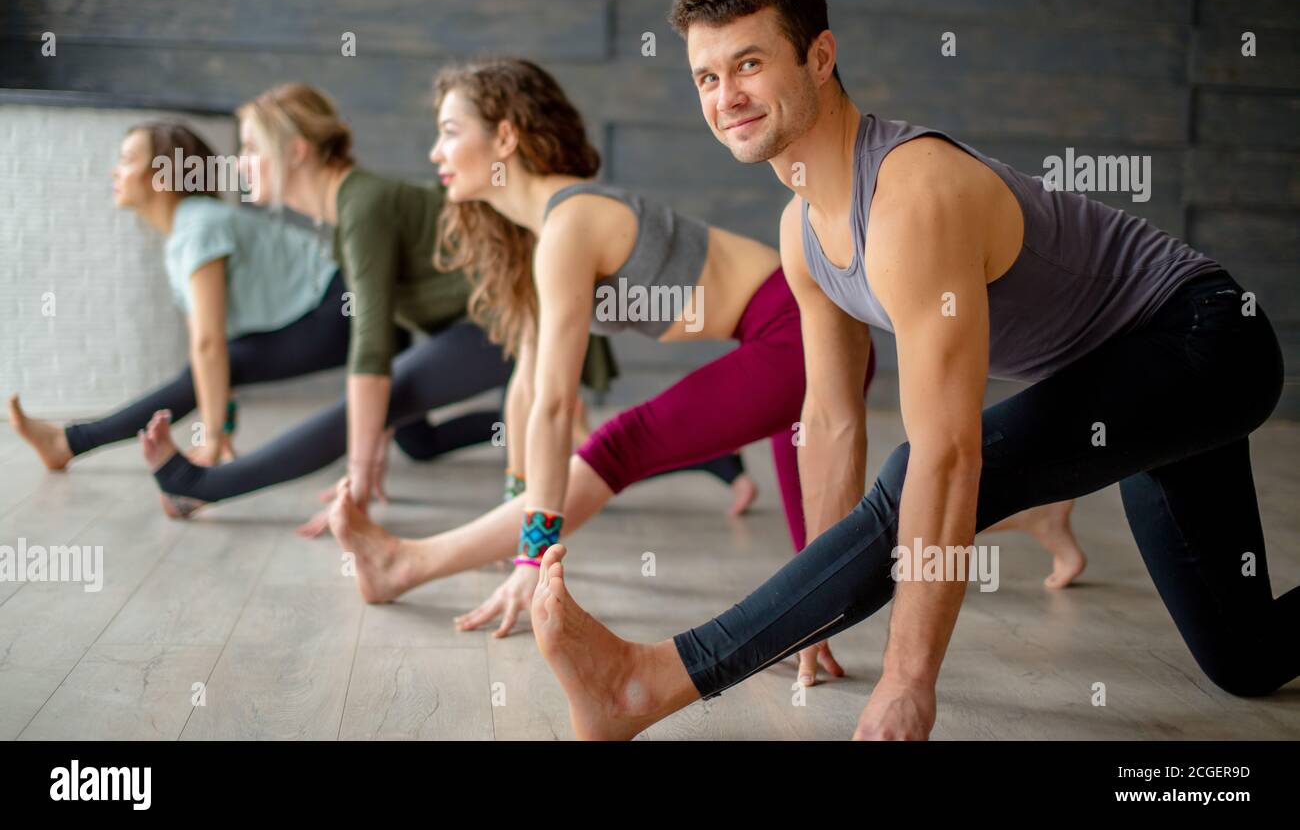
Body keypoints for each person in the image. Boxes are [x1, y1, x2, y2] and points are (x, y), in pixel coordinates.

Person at [524, 0, 1296, 739]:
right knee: (1247, 658)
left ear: (819, 58)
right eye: (706, 77)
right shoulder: (801, 232)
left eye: (749, 64)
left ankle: (647, 683)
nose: (727, 98)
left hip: (1207, 342)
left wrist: (905, 678)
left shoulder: (910, 197)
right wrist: (810, 611)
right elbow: (828, 421)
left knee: (915, 467)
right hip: (1130, 381)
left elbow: (949, 456)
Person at [327, 59, 1072, 651]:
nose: (435, 152)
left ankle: (408, 563)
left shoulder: (571, 224)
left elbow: (558, 403)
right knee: (829, 554)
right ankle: (1032, 512)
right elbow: (526, 388)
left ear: (508, 136)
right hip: (777, 337)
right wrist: (521, 502)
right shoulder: (544, 234)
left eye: (451, 129)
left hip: (792, 329)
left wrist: (532, 550)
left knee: (619, 444)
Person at [138, 83, 744, 535]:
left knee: (388, 399)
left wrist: (356, 466)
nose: (238, 164)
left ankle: (206, 486)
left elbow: (372, 354)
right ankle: (713, 455)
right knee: (425, 439)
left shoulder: (361, 205)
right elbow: (395, 333)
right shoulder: (349, 209)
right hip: (488, 319)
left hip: (503, 321)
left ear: (295, 150)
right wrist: (372, 445)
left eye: (249, 148)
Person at [8, 121, 348, 470]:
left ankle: (67, 443)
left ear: (162, 175)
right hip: (339, 311)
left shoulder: (198, 228)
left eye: (126, 160)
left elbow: (209, 346)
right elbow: (214, 354)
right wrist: (222, 430)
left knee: (219, 360)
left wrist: (213, 439)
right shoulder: (187, 232)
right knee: (409, 434)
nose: (115, 171)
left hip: (345, 305)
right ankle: (66, 443)